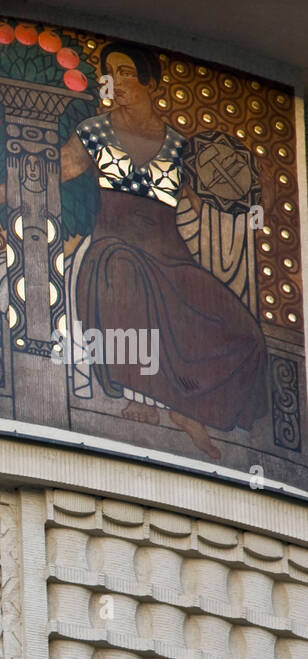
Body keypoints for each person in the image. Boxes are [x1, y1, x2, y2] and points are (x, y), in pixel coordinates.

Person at [58, 42, 268, 460]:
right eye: (109, 73)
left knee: (246, 332)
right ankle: (141, 396)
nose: (114, 83)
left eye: (126, 73)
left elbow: (201, 206)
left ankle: (190, 410)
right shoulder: (93, 131)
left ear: (151, 82)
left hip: (171, 254)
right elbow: (48, 172)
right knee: (126, 277)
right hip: (111, 247)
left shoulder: (179, 145)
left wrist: (240, 212)